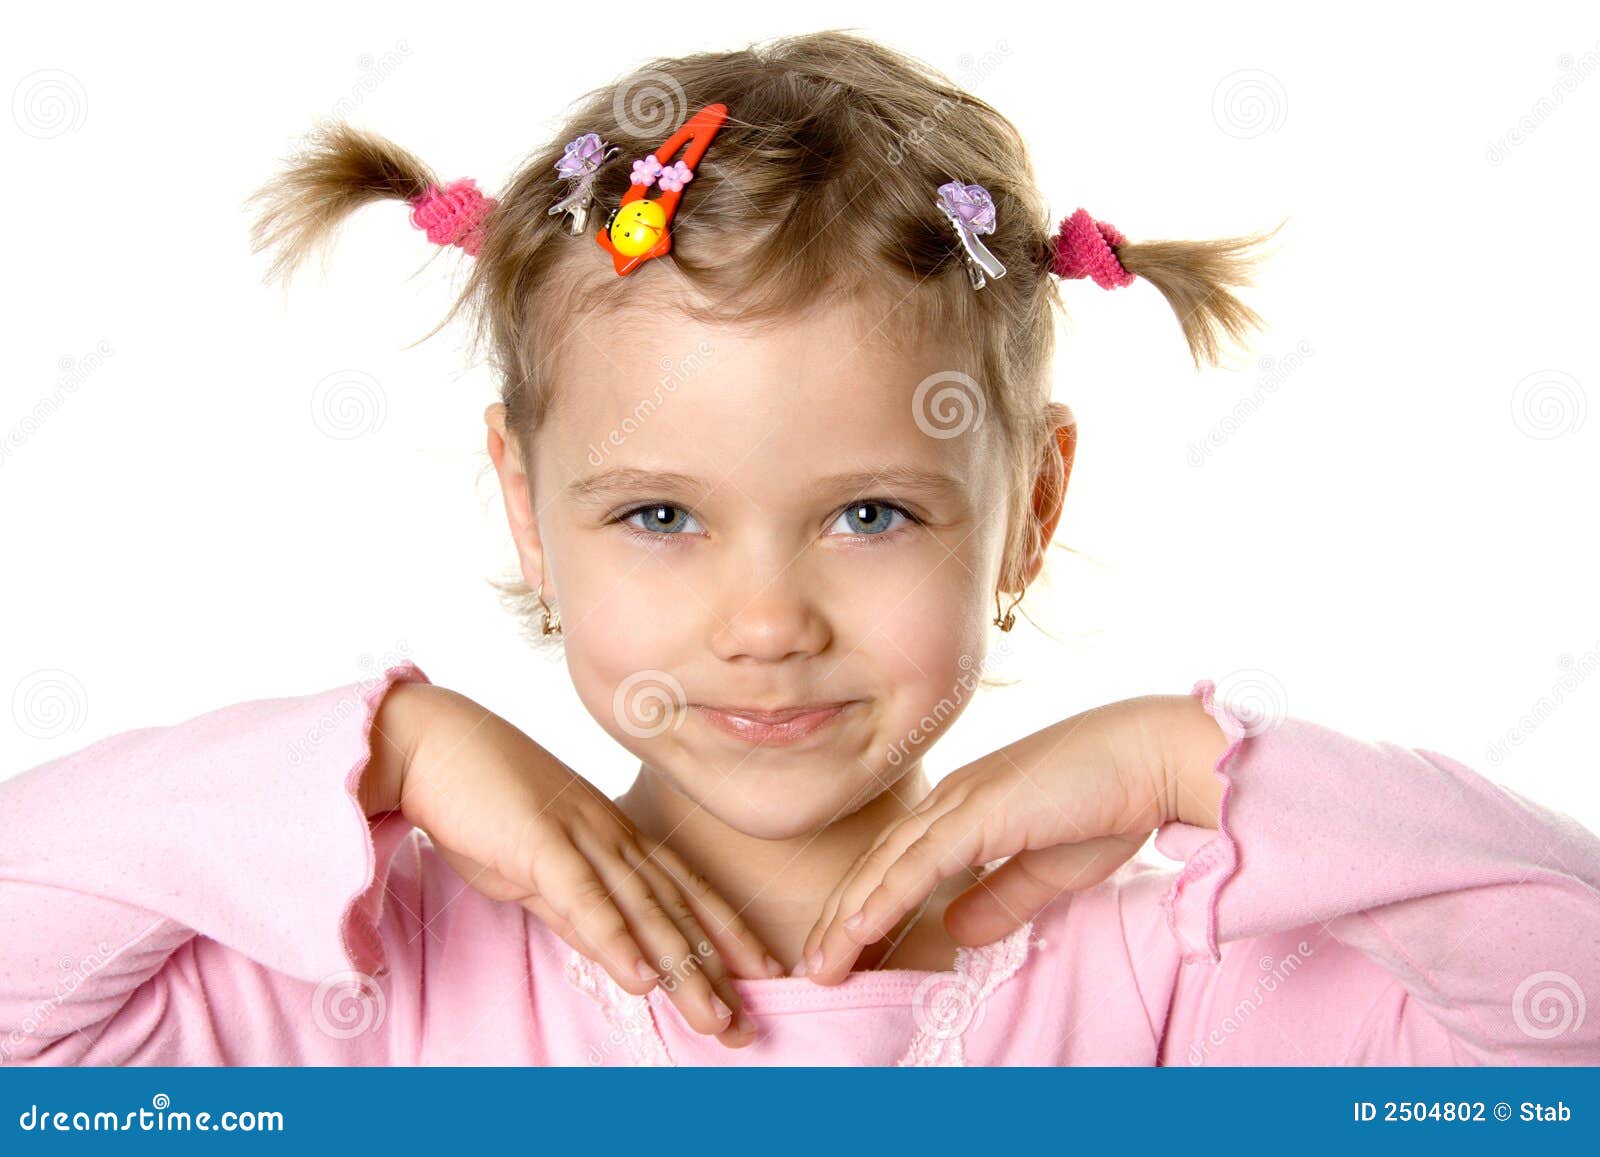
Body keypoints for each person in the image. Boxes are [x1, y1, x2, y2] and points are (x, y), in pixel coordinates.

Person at [4, 29, 1597, 1066]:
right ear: (524, 508)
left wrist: (1202, 770)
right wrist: (380, 751)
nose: (765, 619)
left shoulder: (1169, 986)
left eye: (871, 512)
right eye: (658, 514)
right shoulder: (378, 975)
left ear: (1029, 511)